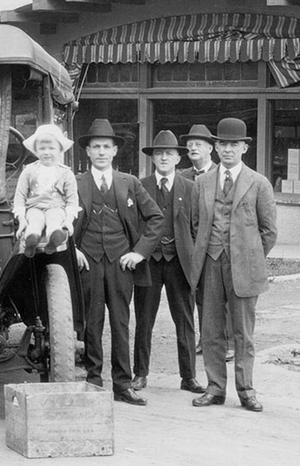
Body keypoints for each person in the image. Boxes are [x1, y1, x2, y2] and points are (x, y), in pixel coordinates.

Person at [73, 118, 162, 406]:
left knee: (121, 322)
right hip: (88, 261)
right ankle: (94, 380)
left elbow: (156, 218)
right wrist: (72, 249)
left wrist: (139, 252)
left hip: (121, 263)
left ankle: (122, 385)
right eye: (95, 146)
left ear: (114, 152)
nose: (101, 152)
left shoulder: (130, 183)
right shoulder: (75, 183)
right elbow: (61, 219)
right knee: (92, 324)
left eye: (106, 147)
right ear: (87, 151)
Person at [190, 118, 277, 413]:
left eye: (234, 144)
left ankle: (246, 390)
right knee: (211, 330)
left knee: (243, 333)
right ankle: (215, 389)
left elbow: (269, 231)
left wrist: (249, 256)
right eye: (223, 144)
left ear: (244, 148)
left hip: (245, 268)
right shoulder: (201, 182)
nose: (228, 149)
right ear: (216, 147)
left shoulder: (259, 182)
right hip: (210, 264)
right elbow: (194, 225)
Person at [131, 131, 204, 395]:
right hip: (149, 262)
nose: (164, 157)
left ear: (177, 158)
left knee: (184, 320)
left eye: (169, 153)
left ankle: (189, 377)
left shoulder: (191, 187)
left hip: (179, 262)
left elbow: (197, 226)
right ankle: (140, 374)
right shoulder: (140, 185)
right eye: (159, 153)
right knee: (144, 319)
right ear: (152, 158)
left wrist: (193, 255)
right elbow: (133, 224)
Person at [179, 124, 234, 362]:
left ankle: (229, 343)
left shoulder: (222, 175)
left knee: (225, 298)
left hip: (219, 248)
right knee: (199, 296)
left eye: (198, 144)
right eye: (190, 145)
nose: (193, 148)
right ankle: (205, 339)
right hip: (191, 247)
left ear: (211, 149)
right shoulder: (182, 176)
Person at [13, 124, 78, 257]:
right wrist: (21, 220)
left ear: (60, 150)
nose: (46, 152)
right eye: (42, 148)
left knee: (54, 220)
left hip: (56, 207)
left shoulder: (66, 173)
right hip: (34, 207)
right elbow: (20, 196)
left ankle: (54, 239)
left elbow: (72, 200)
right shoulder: (29, 171)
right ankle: (31, 239)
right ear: (36, 151)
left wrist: (69, 221)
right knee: (35, 221)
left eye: (51, 148)